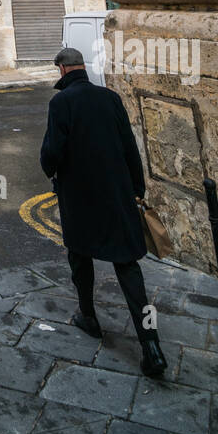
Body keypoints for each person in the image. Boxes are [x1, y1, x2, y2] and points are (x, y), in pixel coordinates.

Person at [40, 47, 167, 379]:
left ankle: (88, 317)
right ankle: (151, 345)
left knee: (80, 256)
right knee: (127, 264)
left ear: (63, 71)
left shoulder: (60, 103)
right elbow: (129, 146)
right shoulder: (110, 98)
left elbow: (52, 151)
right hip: (116, 192)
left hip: (80, 195)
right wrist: (136, 189)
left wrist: (49, 167)